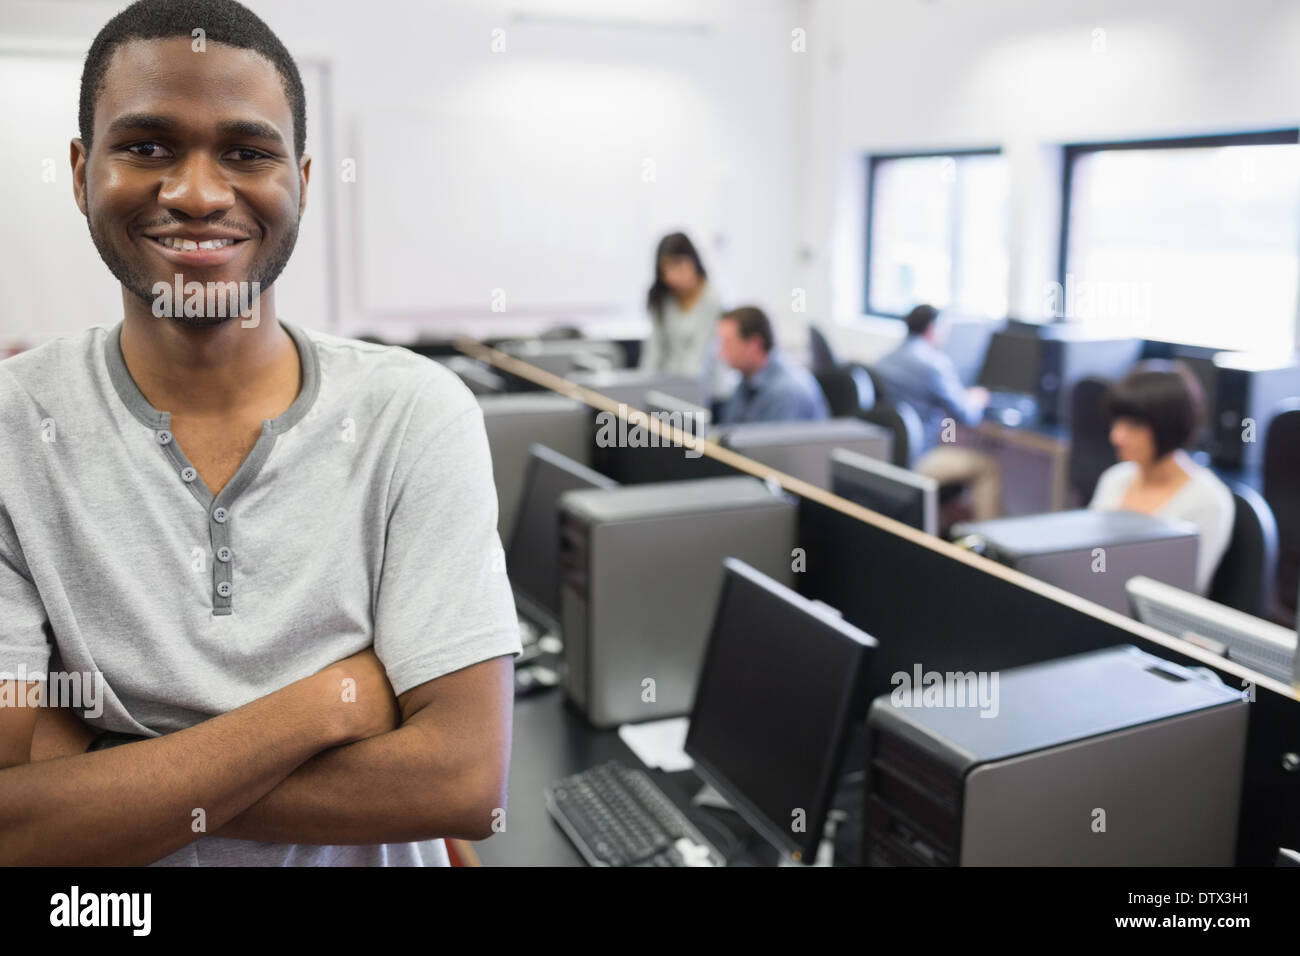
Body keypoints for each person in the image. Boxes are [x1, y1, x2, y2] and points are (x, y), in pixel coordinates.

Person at [0, 0, 520, 866]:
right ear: (82, 169)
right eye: (147, 146)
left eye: (246, 152)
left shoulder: (413, 414)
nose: (198, 194)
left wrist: (102, 772)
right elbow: (11, 828)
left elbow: (460, 783)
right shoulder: (14, 426)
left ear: (302, 182)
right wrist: (331, 704)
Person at [1089, 363, 1234, 595]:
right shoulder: (1115, 478)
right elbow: (1087, 556)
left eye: (1134, 425)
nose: (1116, 436)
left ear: (1167, 427)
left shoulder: (1208, 500)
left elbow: (1183, 588)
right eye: (1117, 422)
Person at [871, 305, 999, 519]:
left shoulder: (884, 359)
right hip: (919, 458)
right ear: (932, 329)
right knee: (988, 467)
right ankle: (988, 546)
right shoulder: (933, 365)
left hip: (891, 454)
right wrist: (976, 399)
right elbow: (968, 415)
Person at [639, 232, 730, 401]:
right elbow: (654, 350)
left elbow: (699, 357)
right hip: (668, 389)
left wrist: (681, 394)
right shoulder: (662, 299)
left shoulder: (712, 298)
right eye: (666, 269)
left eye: (678, 266)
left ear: (693, 262)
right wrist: (644, 388)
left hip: (706, 391)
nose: (672, 276)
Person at [715, 306, 829, 425]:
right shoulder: (747, 381)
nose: (720, 352)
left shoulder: (785, 394)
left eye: (727, 343)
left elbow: (770, 442)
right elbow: (728, 430)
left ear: (754, 345)